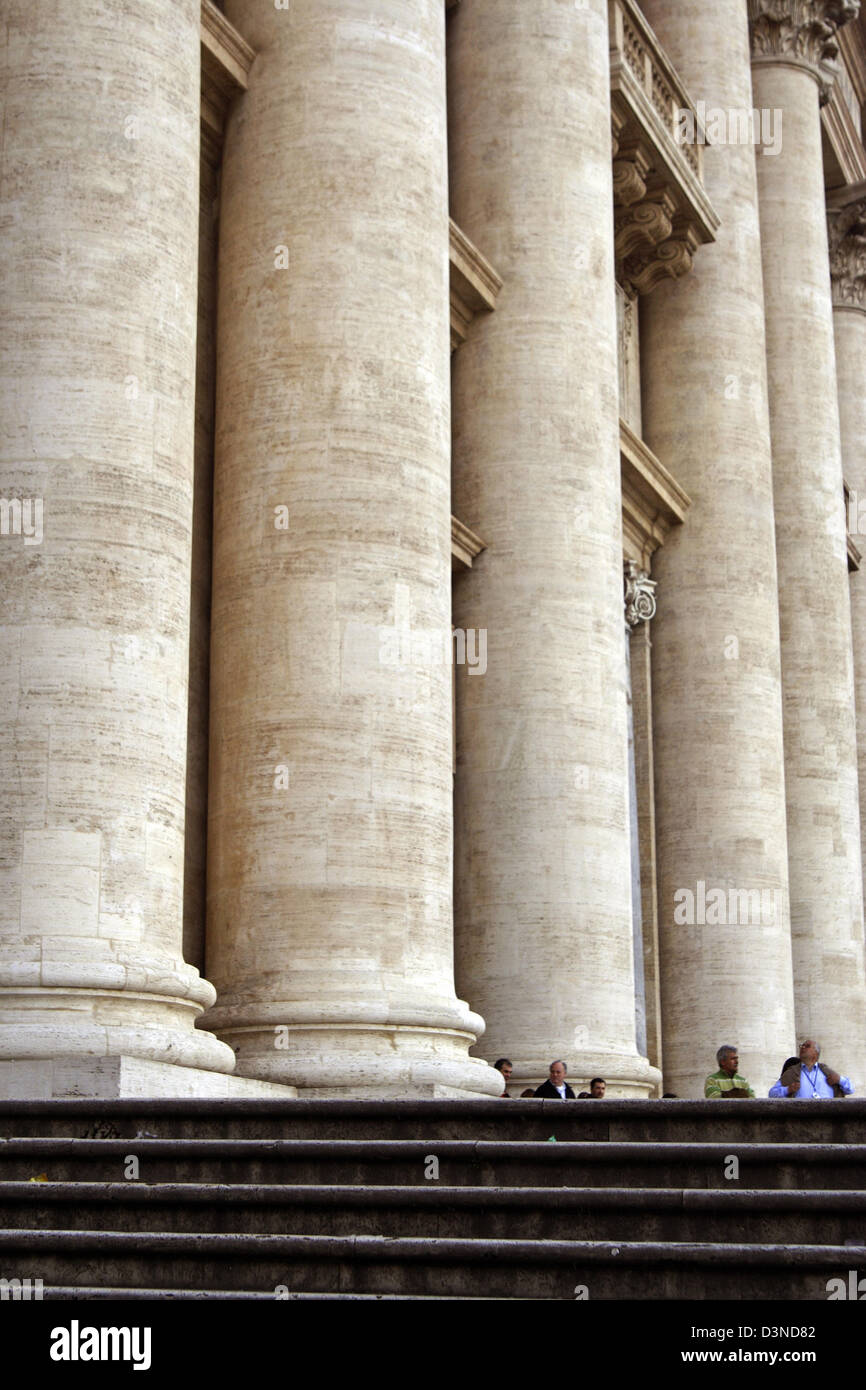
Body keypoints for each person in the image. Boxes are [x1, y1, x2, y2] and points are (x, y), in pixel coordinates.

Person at [768, 1040, 854, 1098]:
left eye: (807, 1046)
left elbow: (850, 1089)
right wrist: (787, 1089)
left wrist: (839, 1080)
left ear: (815, 1053)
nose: (803, 1047)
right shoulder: (792, 1072)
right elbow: (772, 1094)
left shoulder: (826, 1071)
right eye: (802, 1046)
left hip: (828, 1119)